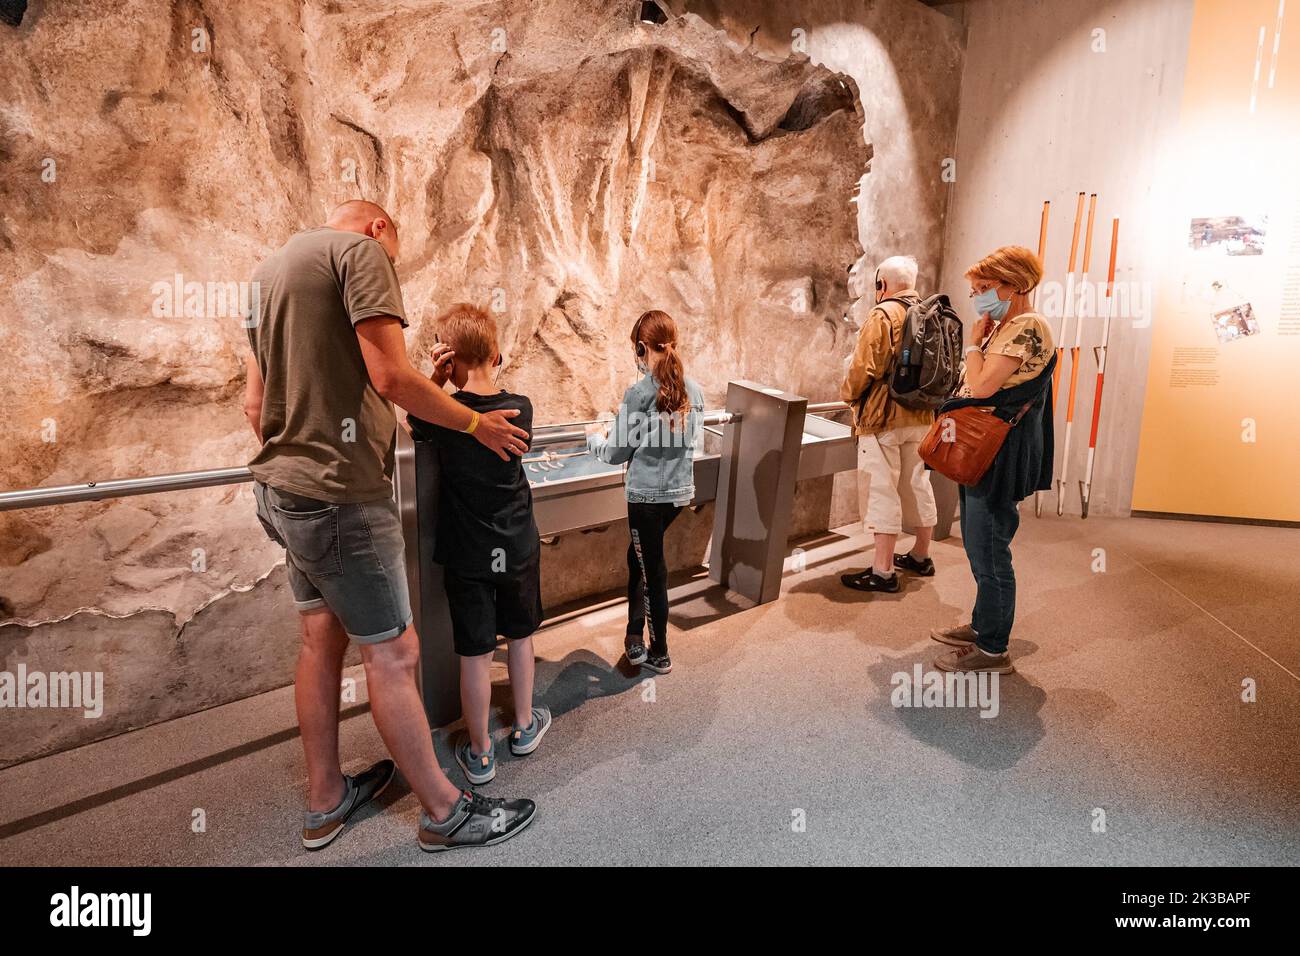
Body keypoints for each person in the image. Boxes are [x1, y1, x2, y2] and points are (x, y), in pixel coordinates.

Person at [243, 199, 536, 852]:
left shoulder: (268, 272)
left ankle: (325, 799)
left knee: (320, 642)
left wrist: (301, 459)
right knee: (394, 653)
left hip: (280, 492)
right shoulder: (362, 254)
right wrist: (474, 423)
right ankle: (445, 811)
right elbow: (388, 373)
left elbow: (254, 403)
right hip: (342, 499)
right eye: (395, 254)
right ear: (380, 229)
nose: (390, 265)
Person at [406, 304, 551, 787]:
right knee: (521, 635)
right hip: (516, 544)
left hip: (468, 552)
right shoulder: (521, 407)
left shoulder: (447, 416)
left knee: (474, 652)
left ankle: (481, 750)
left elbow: (414, 418)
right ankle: (525, 726)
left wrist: (437, 379)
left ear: (451, 359)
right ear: (496, 352)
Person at [930, 245, 1056, 674]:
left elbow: (981, 387)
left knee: (989, 550)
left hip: (998, 453)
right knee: (978, 544)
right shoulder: (1007, 326)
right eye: (975, 289)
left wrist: (971, 343)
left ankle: (992, 650)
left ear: (1015, 286)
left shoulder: (1026, 327)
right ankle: (985, 626)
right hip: (984, 449)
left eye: (985, 288)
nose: (978, 297)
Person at [587, 310, 704, 675]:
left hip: (646, 499)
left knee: (652, 570)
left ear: (641, 348)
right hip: (677, 496)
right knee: (639, 559)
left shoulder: (639, 393)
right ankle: (634, 637)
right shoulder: (695, 389)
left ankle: (659, 652)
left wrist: (594, 436)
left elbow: (614, 453)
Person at [838, 255, 938, 593]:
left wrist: (848, 396)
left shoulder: (883, 314)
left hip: (884, 418)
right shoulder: (929, 312)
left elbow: (864, 367)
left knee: (882, 489)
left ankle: (882, 571)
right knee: (917, 484)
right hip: (923, 415)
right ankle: (922, 556)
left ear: (881, 285)